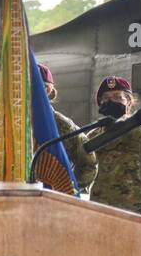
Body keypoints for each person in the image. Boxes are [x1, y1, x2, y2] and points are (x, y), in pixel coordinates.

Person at [85, 76, 141, 213]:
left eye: (117, 97)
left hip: (131, 218)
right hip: (97, 214)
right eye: (106, 98)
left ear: (128, 102)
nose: (111, 102)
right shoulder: (92, 138)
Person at [38, 62, 97, 193]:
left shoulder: (63, 125)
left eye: (31, 85)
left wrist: (70, 189)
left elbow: (88, 164)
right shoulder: (13, 123)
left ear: (47, 90)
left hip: (53, 202)